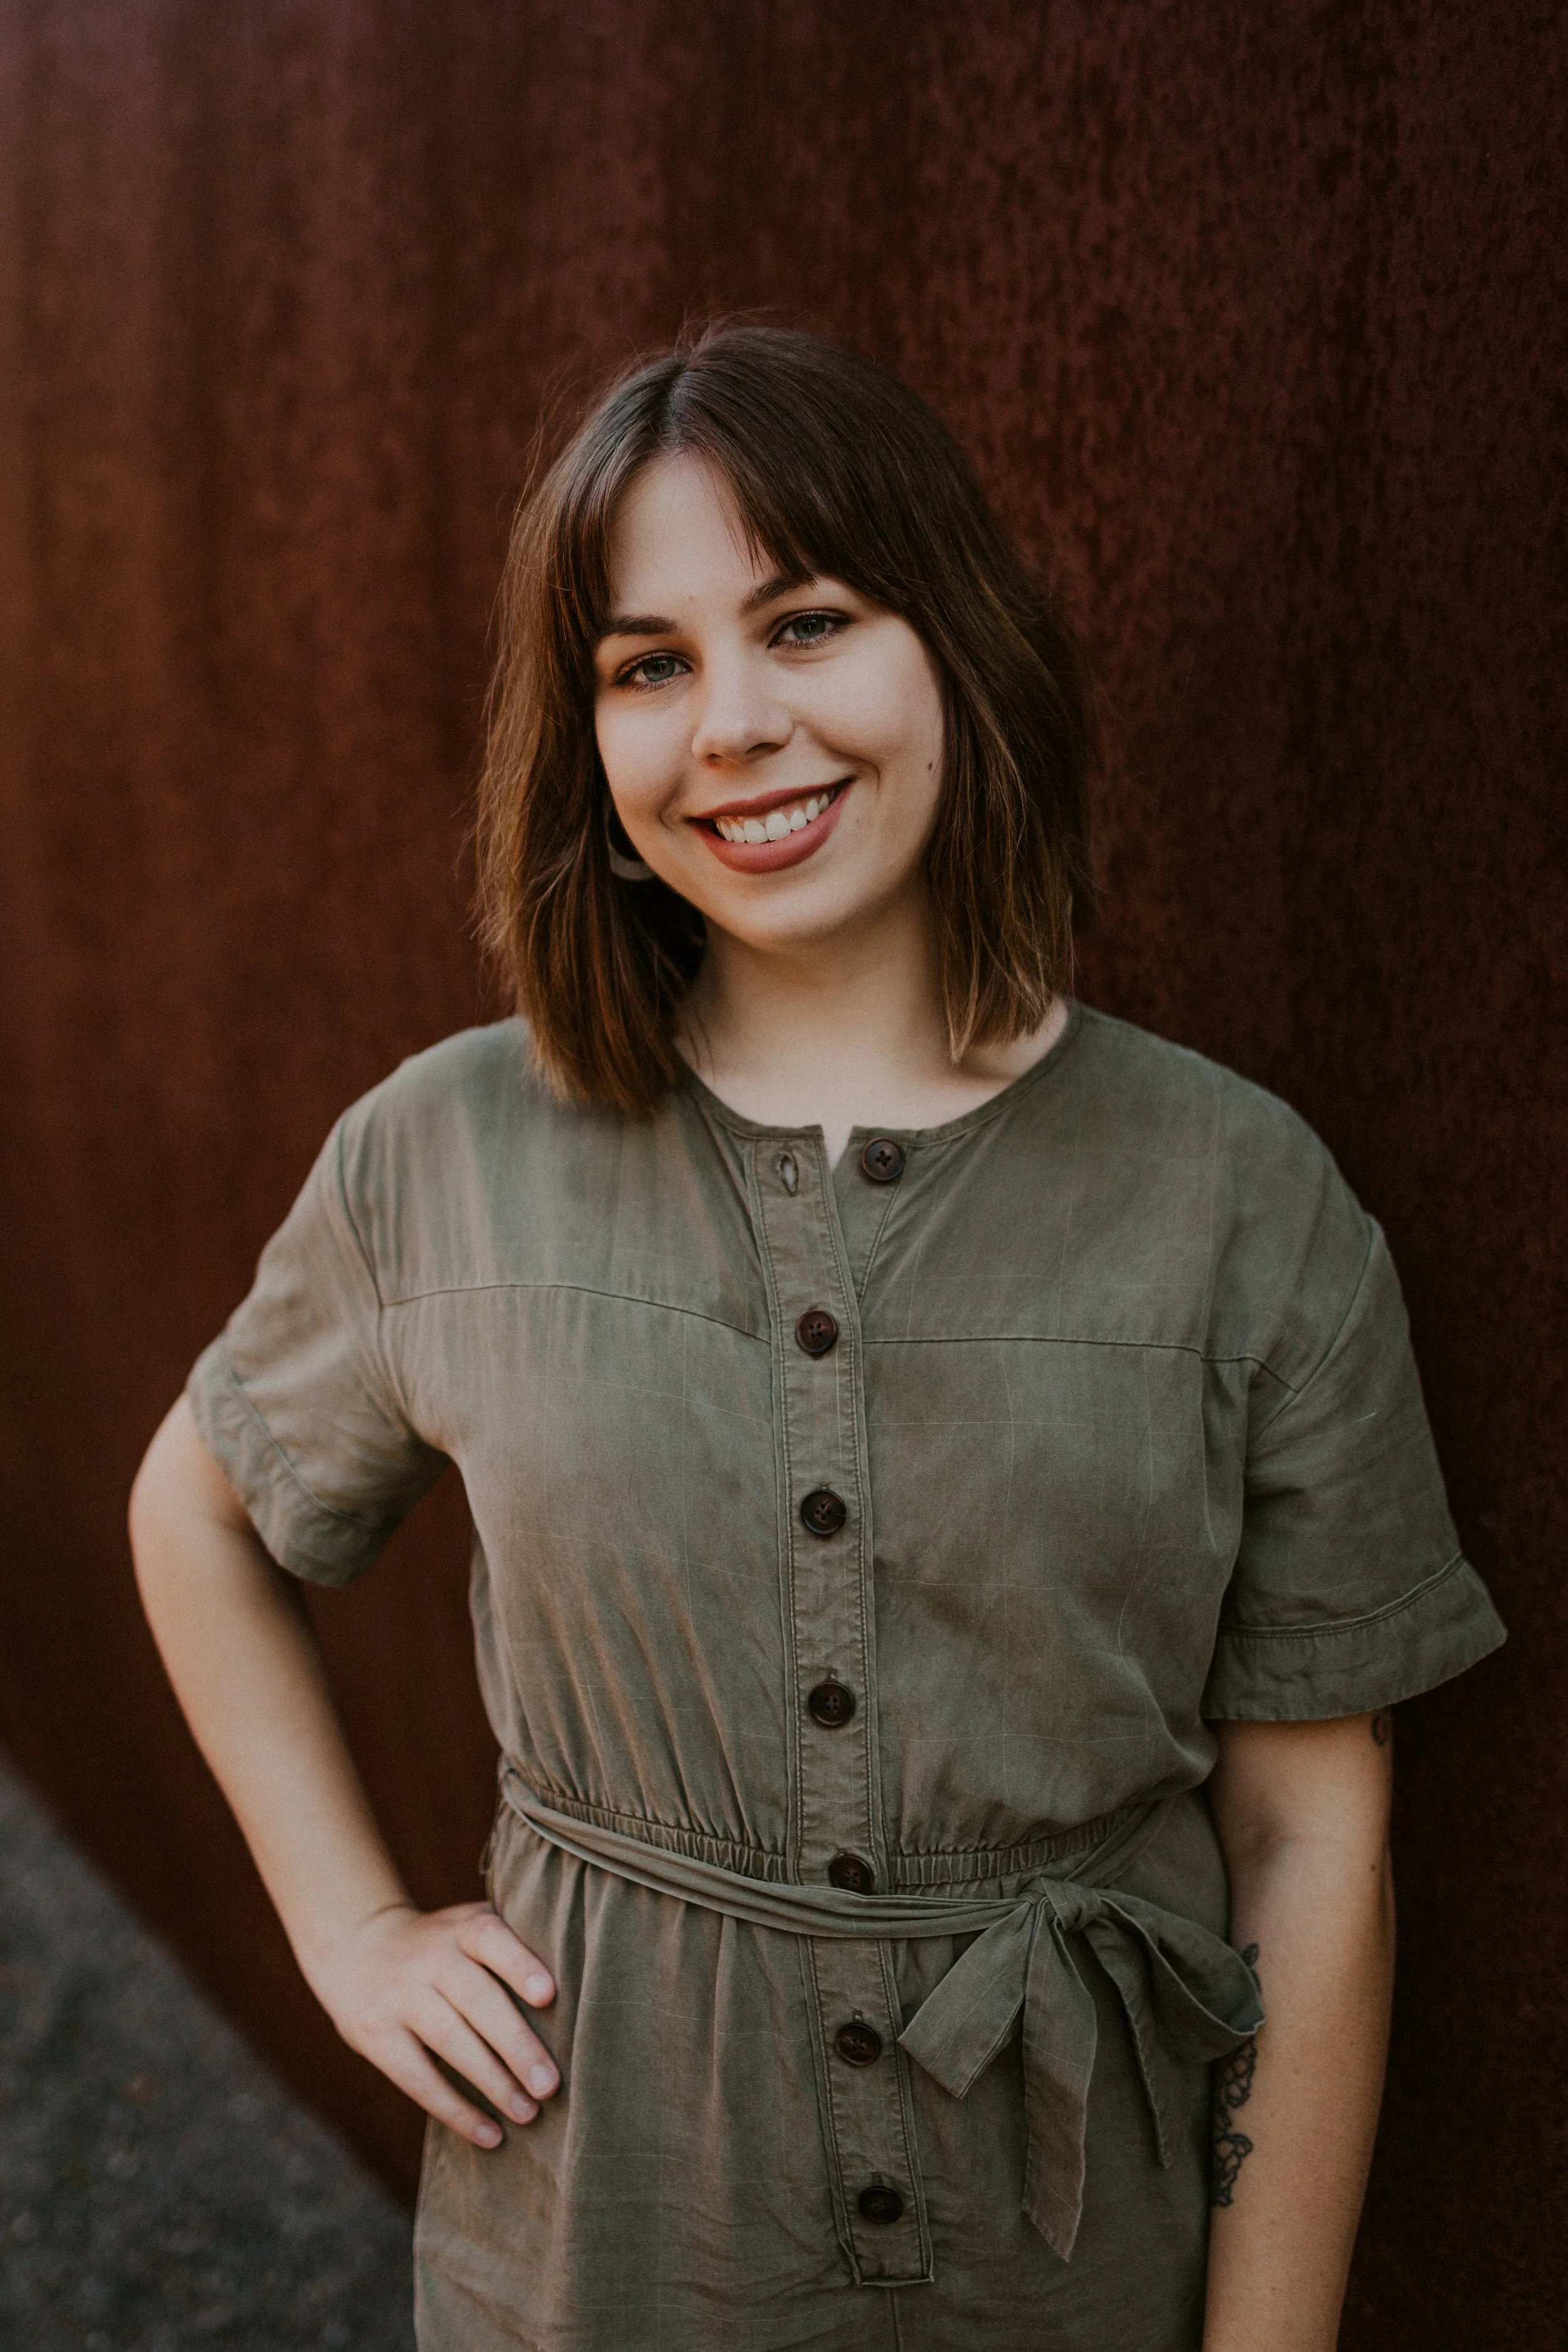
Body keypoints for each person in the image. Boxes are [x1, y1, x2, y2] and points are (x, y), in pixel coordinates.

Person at [129, 324, 1505, 2352]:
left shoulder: (1239, 1195)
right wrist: (346, 1926)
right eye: (649, 664)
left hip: (1069, 2263)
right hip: (599, 2245)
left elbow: (1312, 1831)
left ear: (951, 640)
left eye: (807, 620)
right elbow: (202, 1509)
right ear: (586, 746)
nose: (738, 724)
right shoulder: (447, 1148)